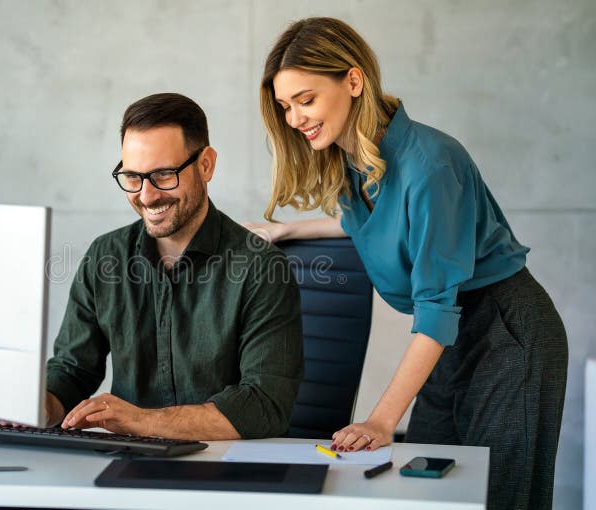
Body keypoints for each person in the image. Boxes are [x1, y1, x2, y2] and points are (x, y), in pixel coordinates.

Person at [245, 17, 567, 510]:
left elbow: (436, 309)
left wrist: (378, 420)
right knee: (428, 493)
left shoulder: (431, 164)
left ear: (354, 81)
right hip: (451, 337)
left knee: (500, 497)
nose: (294, 119)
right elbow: (373, 223)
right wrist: (287, 231)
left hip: (505, 331)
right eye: (285, 107)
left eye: (305, 100)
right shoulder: (355, 161)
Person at [43, 92, 304, 440]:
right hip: (126, 467)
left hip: (225, 471)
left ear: (206, 165)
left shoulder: (261, 268)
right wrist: (35, 407)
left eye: (164, 175)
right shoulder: (105, 256)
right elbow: (72, 371)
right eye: (133, 177)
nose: (147, 196)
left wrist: (142, 421)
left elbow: (263, 406)